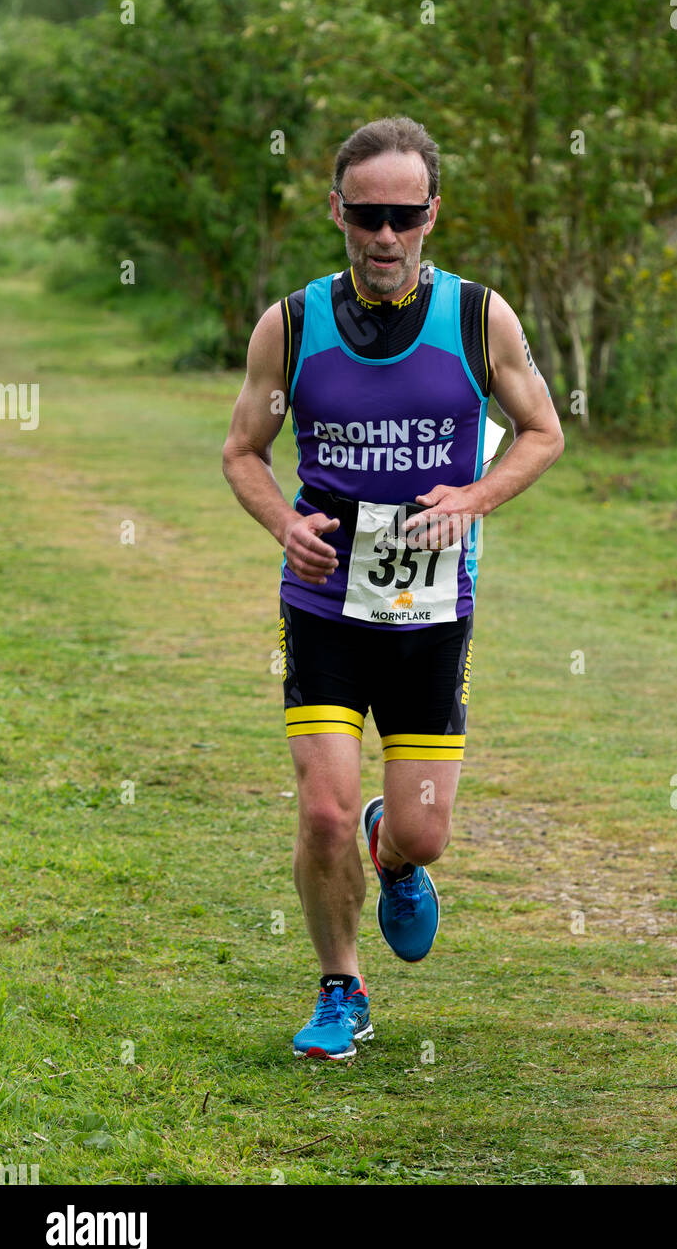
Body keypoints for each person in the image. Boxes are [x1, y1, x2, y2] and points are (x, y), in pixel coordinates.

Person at [222, 116, 564, 1060]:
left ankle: (396, 848)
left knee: (424, 834)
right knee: (320, 808)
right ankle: (341, 989)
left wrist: (476, 496)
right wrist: (284, 526)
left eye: (403, 216)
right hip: (325, 600)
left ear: (431, 215)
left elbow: (542, 431)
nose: (384, 235)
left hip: (430, 605)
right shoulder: (290, 326)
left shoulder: (476, 318)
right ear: (337, 211)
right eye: (366, 214)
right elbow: (242, 452)